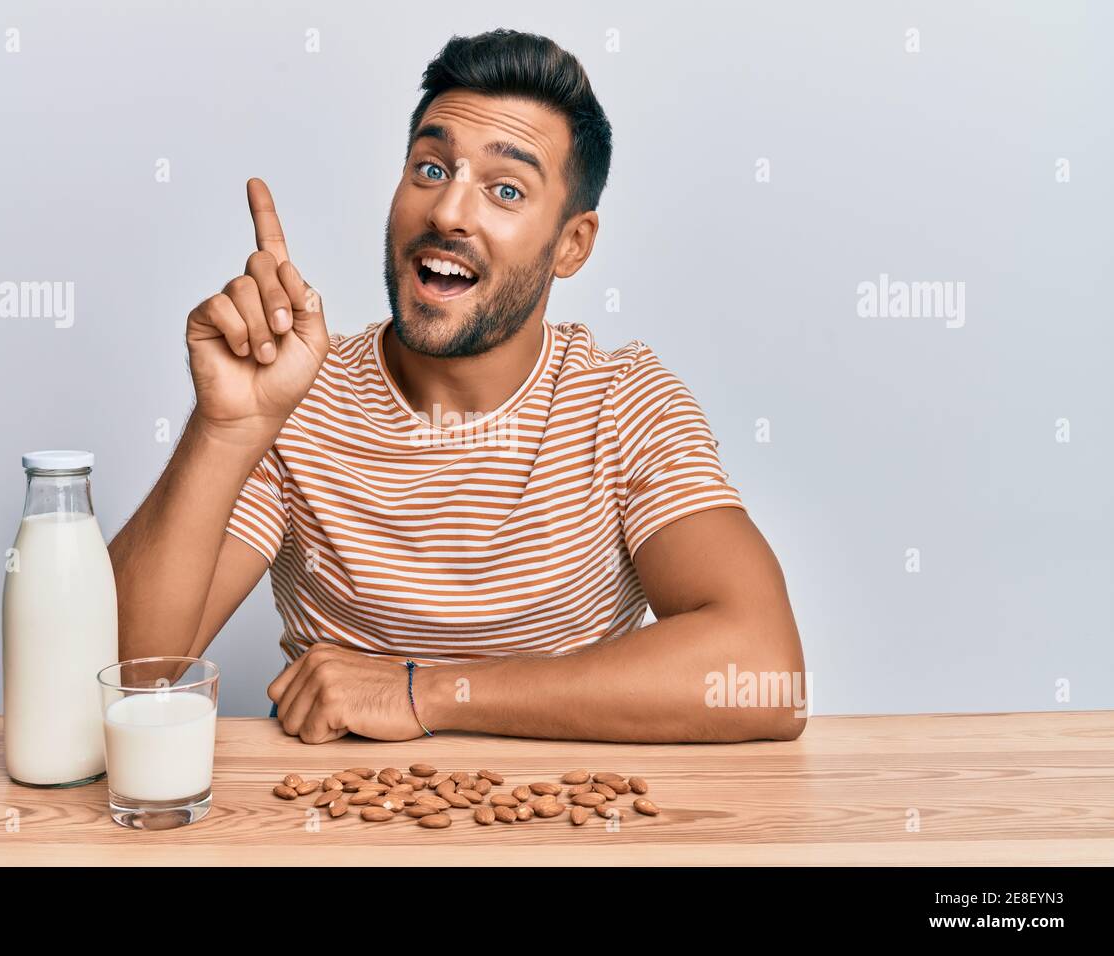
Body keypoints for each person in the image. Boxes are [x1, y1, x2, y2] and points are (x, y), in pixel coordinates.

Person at [108, 29, 806, 744]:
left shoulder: (625, 404)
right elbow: (117, 683)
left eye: (506, 190)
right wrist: (224, 430)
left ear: (572, 244)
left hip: (565, 829)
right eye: (431, 169)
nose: (447, 213)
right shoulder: (298, 400)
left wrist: (425, 692)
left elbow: (764, 673)